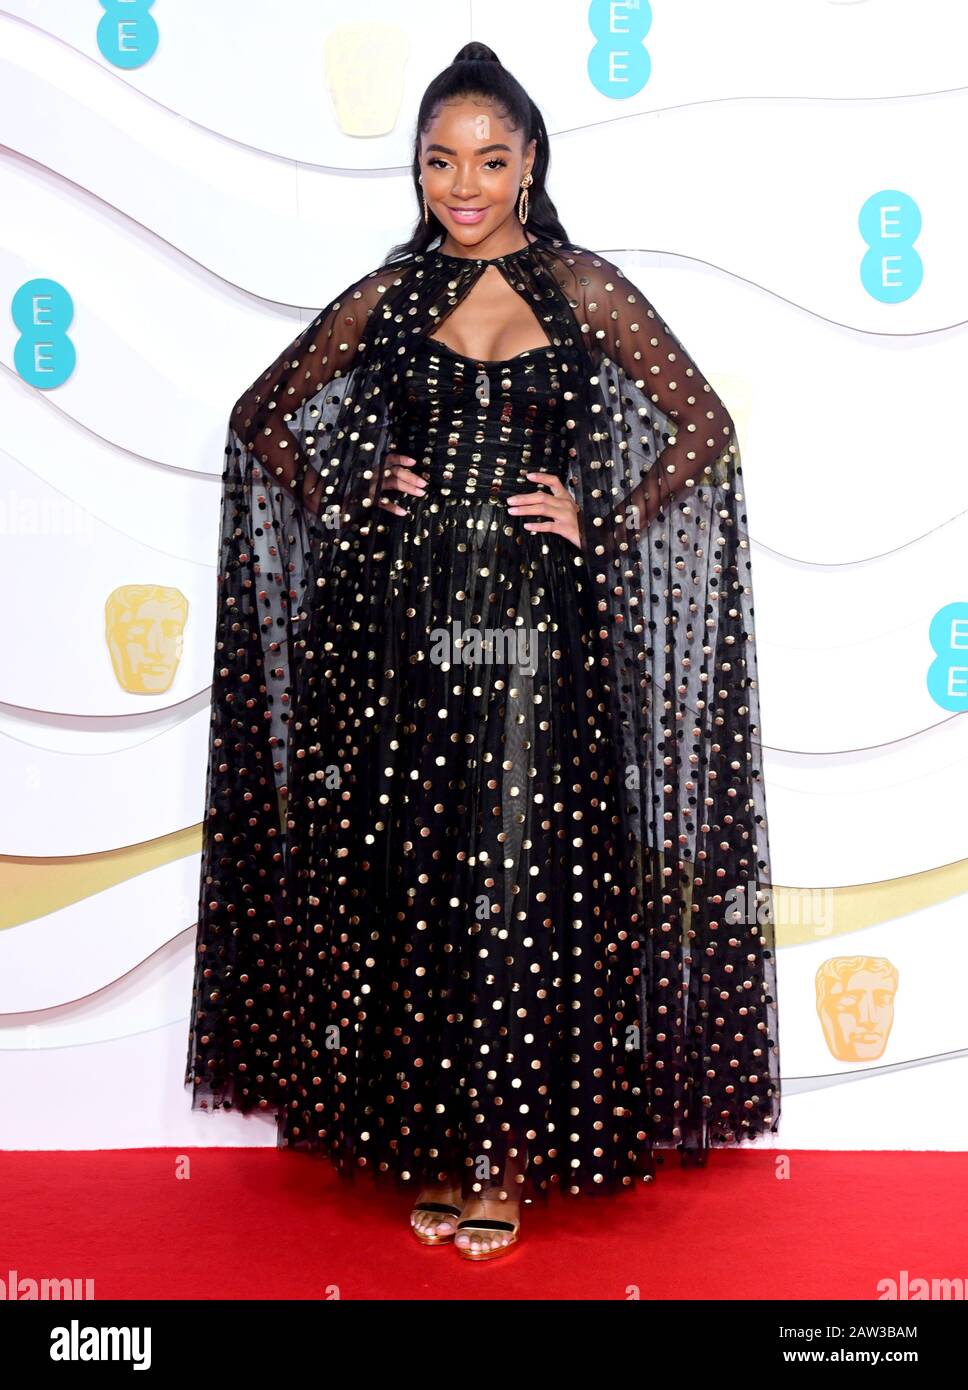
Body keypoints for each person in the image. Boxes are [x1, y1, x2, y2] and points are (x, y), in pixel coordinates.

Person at [186, 41, 780, 1263]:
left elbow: (703, 425)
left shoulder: (580, 286)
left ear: (527, 164)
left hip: (538, 640)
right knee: (426, 882)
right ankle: (439, 1140)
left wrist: (602, 515)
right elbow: (260, 416)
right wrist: (355, 486)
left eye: (489, 159)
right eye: (439, 158)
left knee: (520, 881)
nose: (463, 182)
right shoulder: (388, 296)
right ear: (416, 165)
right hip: (403, 633)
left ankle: (503, 1160)